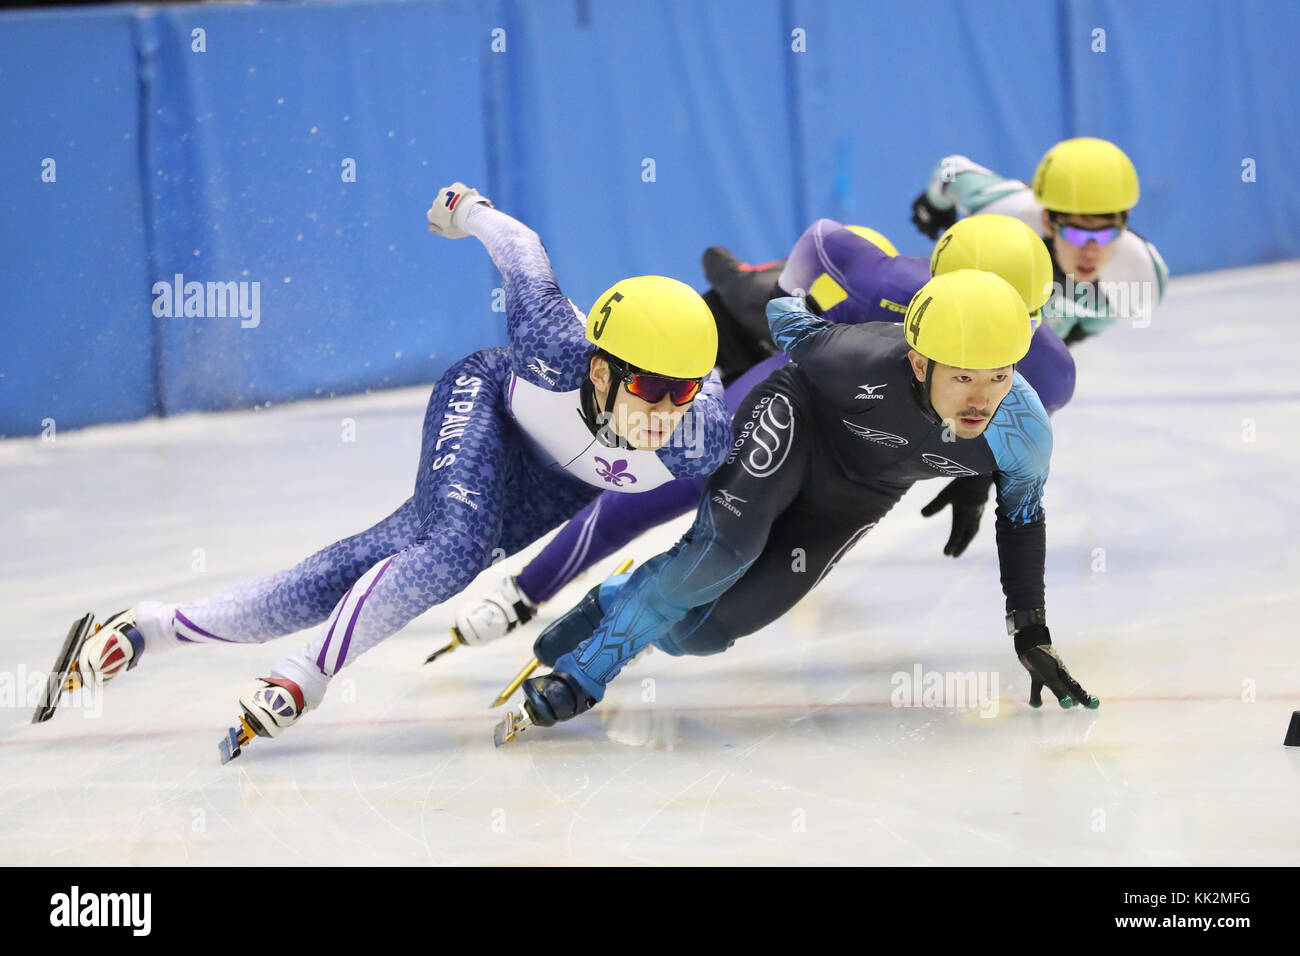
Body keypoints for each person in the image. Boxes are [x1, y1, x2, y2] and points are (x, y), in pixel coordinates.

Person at [42, 183, 733, 760]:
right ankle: (304, 678)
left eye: (684, 391)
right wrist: (465, 208)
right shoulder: (552, 343)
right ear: (602, 369)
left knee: (368, 566)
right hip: (490, 405)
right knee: (452, 550)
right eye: (651, 390)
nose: (667, 410)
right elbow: (520, 249)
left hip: (558, 485)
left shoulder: (697, 440)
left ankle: (151, 628)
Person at [507, 267, 1097, 738]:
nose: (982, 399)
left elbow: (1021, 520)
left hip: (854, 496)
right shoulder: (854, 357)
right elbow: (784, 316)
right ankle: (583, 675)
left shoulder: (1023, 433)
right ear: (919, 362)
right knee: (721, 553)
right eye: (963, 378)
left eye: (998, 377)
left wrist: (1031, 632)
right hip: (797, 419)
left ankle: (619, 597)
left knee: (703, 634)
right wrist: (787, 293)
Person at [447, 214, 1072, 654]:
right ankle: (525, 591)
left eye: (1009, 341)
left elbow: (992, 437)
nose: (991, 351)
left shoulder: (1047, 375)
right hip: (801, 363)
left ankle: (629, 603)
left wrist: (973, 477)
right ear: (928, 299)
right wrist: (782, 310)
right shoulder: (881, 284)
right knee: (677, 481)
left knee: (761, 550)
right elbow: (821, 244)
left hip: (857, 443)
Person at [910, 136, 1168, 344]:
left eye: (1106, 234)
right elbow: (951, 170)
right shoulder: (1006, 210)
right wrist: (934, 206)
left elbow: (1102, 318)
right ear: (1047, 221)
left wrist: (1080, 331)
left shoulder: (1142, 275)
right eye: (1077, 234)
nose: (1091, 251)